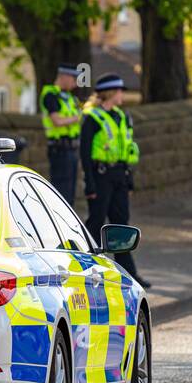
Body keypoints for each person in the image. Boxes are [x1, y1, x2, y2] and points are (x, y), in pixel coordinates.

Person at [80, 72, 148, 284]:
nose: (122, 95)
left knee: (121, 225)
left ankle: (128, 273)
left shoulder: (122, 116)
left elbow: (126, 148)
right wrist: (89, 184)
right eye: (119, 91)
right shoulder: (93, 118)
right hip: (101, 176)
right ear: (110, 93)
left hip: (119, 174)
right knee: (97, 222)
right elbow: (85, 153)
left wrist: (129, 180)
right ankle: (86, 266)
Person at [38, 63, 83, 203]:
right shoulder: (51, 95)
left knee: (70, 191)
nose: (75, 84)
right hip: (59, 148)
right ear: (64, 77)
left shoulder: (70, 98)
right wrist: (77, 118)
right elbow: (56, 120)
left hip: (72, 148)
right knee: (61, 191)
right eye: (73, 79)